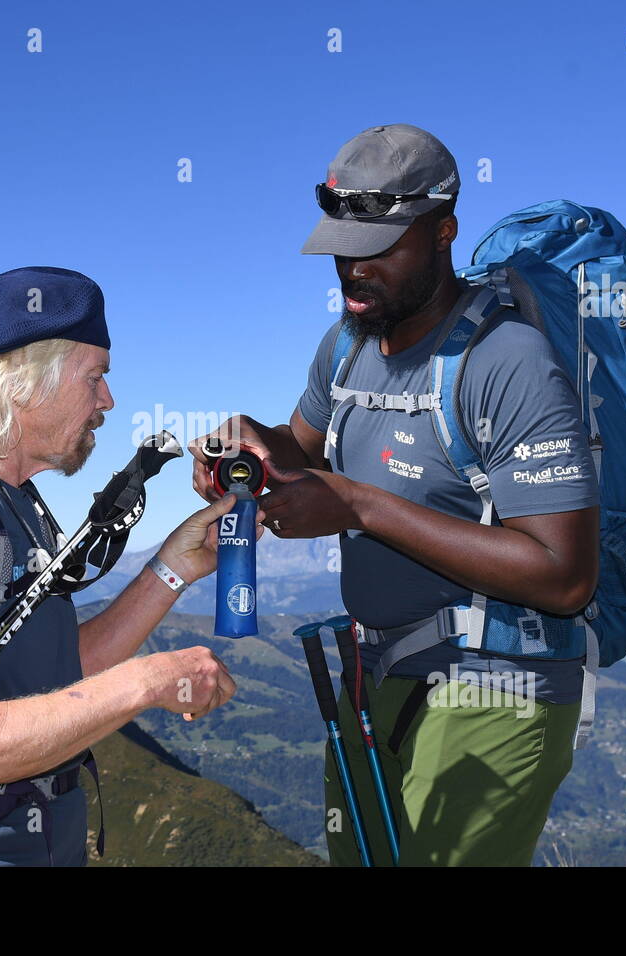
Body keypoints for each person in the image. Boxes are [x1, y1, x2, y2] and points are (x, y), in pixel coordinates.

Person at [189, 125, 600, 866]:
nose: (354, 269)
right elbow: (301, 453)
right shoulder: (345, 345)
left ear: (444, 231)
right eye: (344, 248)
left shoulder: (506, 362)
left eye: (378, 246)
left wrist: (358, 506)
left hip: (495, 685)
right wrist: (253, 444)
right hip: (373, 674)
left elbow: (566, 578)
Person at [0, 266, 258, 866]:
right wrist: (147, 682)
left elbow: (58, 669)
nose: (109, 401)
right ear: (23, 382)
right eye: (95, 378)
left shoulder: (11, 502)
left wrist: (172, 568)